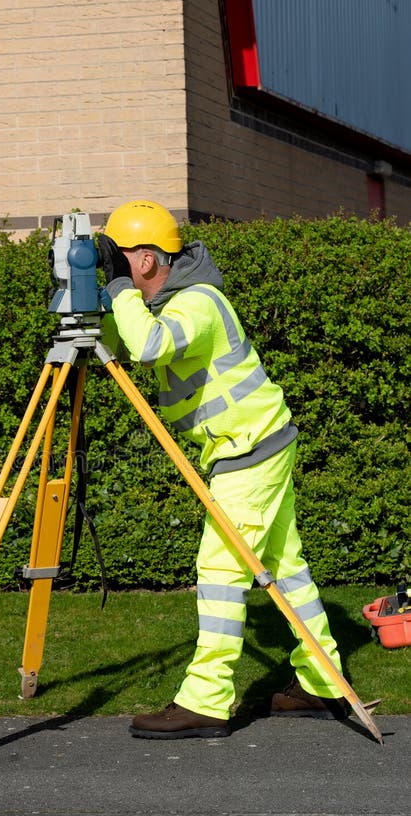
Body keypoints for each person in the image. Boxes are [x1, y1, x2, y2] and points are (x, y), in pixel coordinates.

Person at [97, 200, 347, 739]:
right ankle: (322, 681)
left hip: (248, 453)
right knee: (287, 568)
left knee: (220, 572)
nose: (111, 267)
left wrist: (116, 291)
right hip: (258, 445)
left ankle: (206, 700)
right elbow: (121, 340)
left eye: (116, 259)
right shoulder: (173, 300)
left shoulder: (198, 304)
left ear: (143, 261)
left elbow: (148, 346)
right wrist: (90, 308)